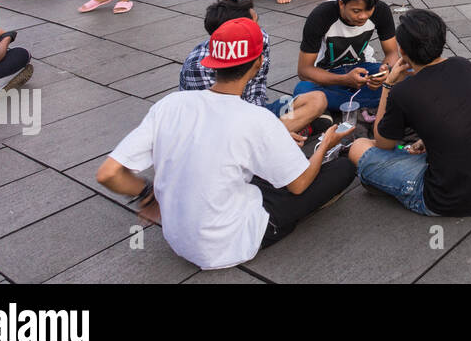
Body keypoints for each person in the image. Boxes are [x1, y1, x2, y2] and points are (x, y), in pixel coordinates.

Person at [97, 17, 356, 270]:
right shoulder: (256, 119)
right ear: (258, 63)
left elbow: (108, 173)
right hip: (233, 241)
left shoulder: (169, 104)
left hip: (177, 238)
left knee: (256, 171)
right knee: (342, 169)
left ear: (211, 62)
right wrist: (325, 146)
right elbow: (299, 185)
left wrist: (148, 196)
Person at [349, 8, 471, 216]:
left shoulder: (403, 91)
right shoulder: (463, 65)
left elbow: (382, 142)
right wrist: (428, 140)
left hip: (444, 199)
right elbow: (458, 115)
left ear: (402, 51)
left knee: (358, 147)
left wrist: (388, 85)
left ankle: (396, 188)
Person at [179, 0, 327, 140]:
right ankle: (275, 138)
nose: (259, 29)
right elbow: (213, 123)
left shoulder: (259, 39)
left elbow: (258, 86)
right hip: (222, 131)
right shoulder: (199, 67)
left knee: (317, 100)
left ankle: (272, 137)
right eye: (253, 25)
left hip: (254, 113)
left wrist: (261, 120)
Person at [293, 0, 400, 114]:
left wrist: (385, 72)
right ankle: (373, 103)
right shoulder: (321, 16)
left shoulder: (381, 11)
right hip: (327, 75)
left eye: (368, 10)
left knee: (406, 75)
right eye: (356, 11)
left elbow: (392, 53)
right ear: (342, 4)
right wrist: (344, 80)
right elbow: (304, 70)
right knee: (303, 89)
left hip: (363, 71)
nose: (363, 16)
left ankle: (336, 107)